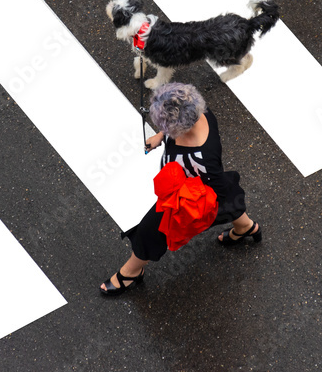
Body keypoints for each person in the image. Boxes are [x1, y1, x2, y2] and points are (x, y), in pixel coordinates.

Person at [100, 82, 262, 296]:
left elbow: (216, 193)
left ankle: (131, 272)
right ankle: (246, 228)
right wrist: (161, 135)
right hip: (202, 183)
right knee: (229, 197)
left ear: (178, 127)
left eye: (166, 126)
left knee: (151, 230)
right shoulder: (198, 112)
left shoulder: (204, 158)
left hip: (188, 194)